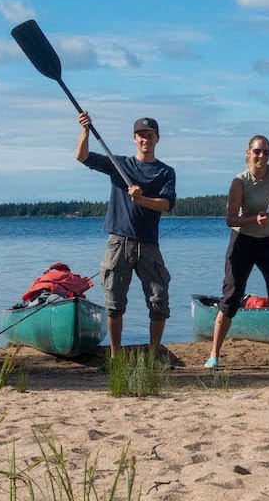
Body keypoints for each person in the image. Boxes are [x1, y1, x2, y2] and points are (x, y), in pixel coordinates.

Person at [206, 133, 269, 370]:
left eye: (266, 152)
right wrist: (254, 219)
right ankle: (213, 355)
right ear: (248, 153)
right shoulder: (239, 182)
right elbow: (230, 219)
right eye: (257, 151)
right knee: (231, 297)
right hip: (243, 240)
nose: (262, 156)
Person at [76, 112, 176, 359]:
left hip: (149, 245)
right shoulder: (118, 164)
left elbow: (166, 204)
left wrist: (141, 199)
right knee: (114, 304)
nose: (145, 140)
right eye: (141, 136)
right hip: (119, 242)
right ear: (134, 139)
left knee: (159, 302)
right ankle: (115, 356)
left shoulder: (165, 172)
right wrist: (85, 131)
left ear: (157, 139)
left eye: (150, 135)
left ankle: (153, 356)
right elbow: (82, 156)